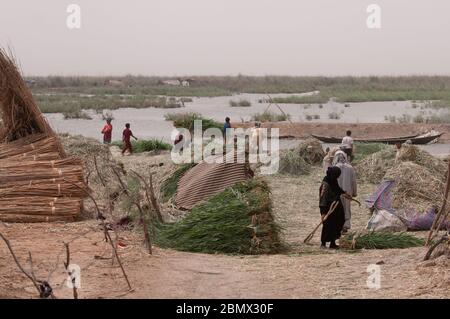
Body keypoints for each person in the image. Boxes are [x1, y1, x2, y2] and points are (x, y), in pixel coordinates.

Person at [319, 166, 347, 249]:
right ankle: (323, 243)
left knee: (337, 223)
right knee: (327, 225)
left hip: (336, 206)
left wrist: (344, 193)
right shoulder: (325, 184)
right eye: (337, 175)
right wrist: (323, 213)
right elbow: (323, 199)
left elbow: (337, 189)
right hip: (328, 208)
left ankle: (332, 242)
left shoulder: (333, 180)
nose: (338, 177)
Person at [332, 151, 357, 232]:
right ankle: (345, 226)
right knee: (346, 208)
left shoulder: (334, 168)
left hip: (336, 193)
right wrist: (354, 192)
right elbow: (353, 181)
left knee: (337, 208)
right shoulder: (350, 168)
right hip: (347, 192)